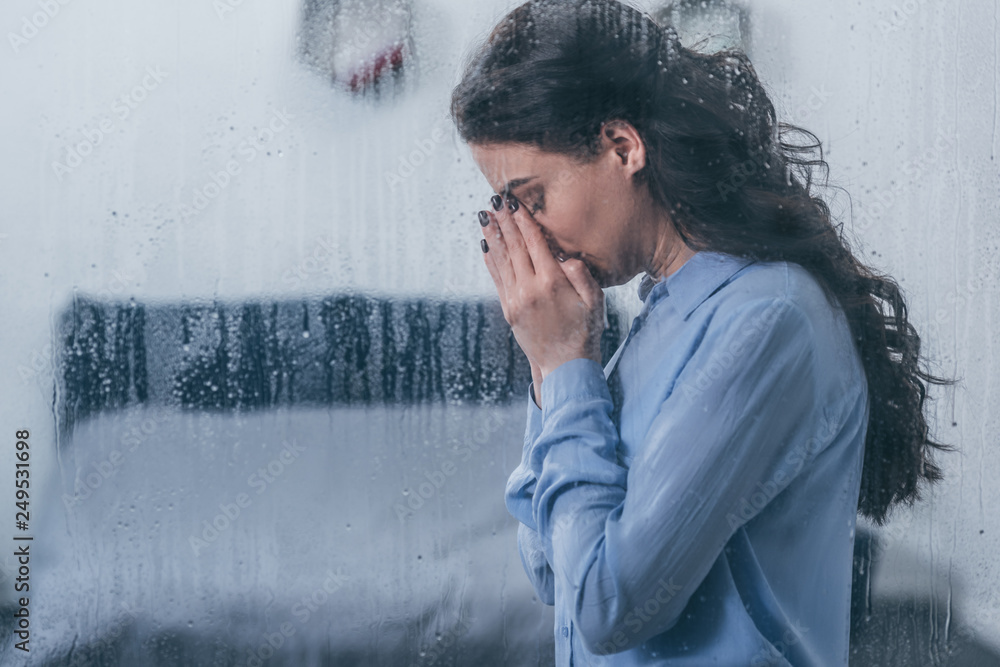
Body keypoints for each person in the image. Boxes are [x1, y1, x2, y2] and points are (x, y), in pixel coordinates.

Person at [449, 0, 955, 664]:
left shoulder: (769, 319)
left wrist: (565, 363)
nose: (532, 236)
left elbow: (610, 605)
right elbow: (552, 570)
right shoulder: (658, 315)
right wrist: (550, 373)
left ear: (623, 147)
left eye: (535, 199)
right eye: (511, 209)